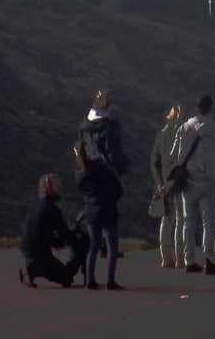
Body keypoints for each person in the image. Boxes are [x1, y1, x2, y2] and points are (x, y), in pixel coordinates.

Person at [173, 94, 215, 274]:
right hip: (208, 182)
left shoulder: (184, 127)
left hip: (188, 181)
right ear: (210, 108)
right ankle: (209, 260)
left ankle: (189, 260)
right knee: (209, 223)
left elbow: (175, 154)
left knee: (188, 222)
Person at [19, 172, 87, 288]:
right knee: (66, 279)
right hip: (39, 255)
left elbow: (41, 232)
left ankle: (33, 267)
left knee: (60, 271)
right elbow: (64, 233)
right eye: (57, 186)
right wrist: (78, 239)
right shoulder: (51, 209)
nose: (60, 188)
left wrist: (59, 241)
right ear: (48, 187)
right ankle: (31, 270)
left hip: (28, 249)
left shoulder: (35, 204)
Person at [75, 141, 124, 290]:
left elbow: (81, 189)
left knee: (93, 247)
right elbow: (118, 189)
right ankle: (110, 281)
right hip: (108, 210)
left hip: (90, 212)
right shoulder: (105, 169)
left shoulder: (81, 172)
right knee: (112, 248)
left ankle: (90, 280)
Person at [150, 103, 185, 268]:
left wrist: (159, 182)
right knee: (180, 220)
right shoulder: (182, 135)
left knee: (166, 219)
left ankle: (166, 257)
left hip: (164, 181)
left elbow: (154, 161)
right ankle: (180, 257)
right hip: (178, 181)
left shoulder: (160, 135)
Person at [79, 89, 130, 176]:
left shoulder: (84, 125)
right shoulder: (111, 126)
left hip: (89, 170)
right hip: (106, 171)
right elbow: (112, 150)